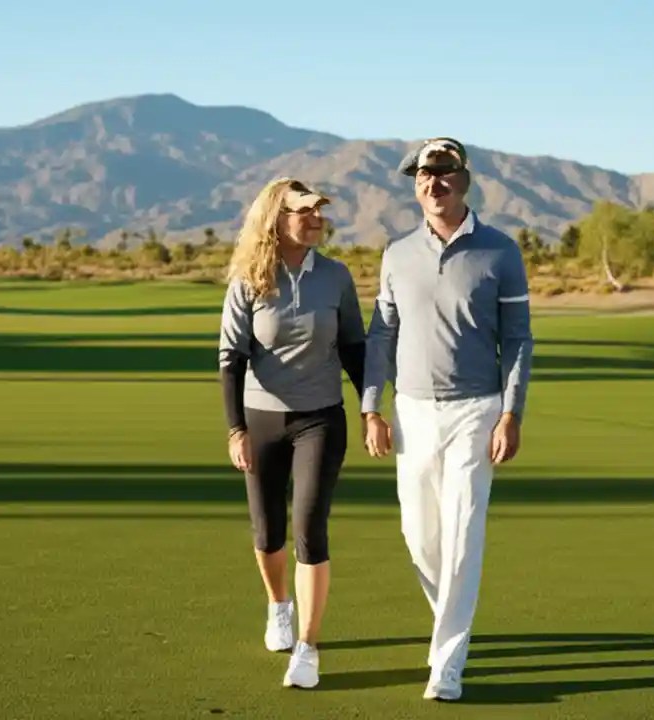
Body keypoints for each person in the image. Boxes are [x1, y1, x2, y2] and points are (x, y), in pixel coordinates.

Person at [361, 137, 533, 702]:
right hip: (411, 410)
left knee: (461, 535)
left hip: (476, 410)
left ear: (464, 180)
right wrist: (371, 406)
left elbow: (518, 341)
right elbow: (382, 333)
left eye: (442, 173)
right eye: (422, 176)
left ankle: (447, 664)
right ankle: (451, 628)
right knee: (419, 537)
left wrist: (511, 414)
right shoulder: (396, 253)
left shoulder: (501, 252)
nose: (432, 183)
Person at [217, 177, 366, 689]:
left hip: (321, 416)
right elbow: (231, 360)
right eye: (303, 212)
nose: (315, 218)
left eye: (319, 211)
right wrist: (236, 428)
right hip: (261, 419)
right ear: (275, 220)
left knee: (309, 527)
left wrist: (371, 409)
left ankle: (307, 646)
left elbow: (353, 349)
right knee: (267, 530)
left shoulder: (336, 277)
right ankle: (278, 605)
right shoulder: (249, 281)